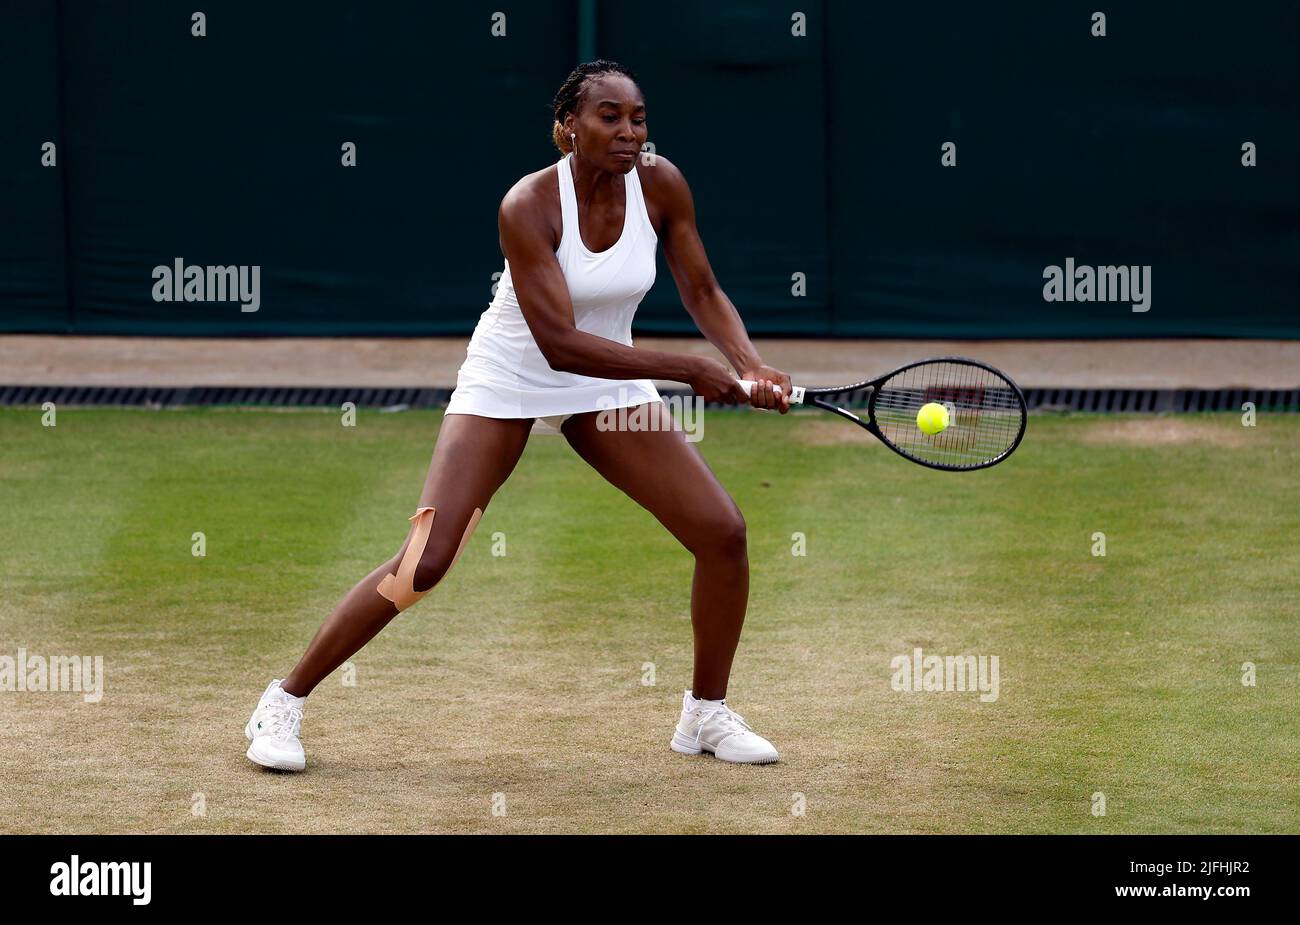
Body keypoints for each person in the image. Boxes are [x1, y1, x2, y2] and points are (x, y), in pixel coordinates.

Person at [245, 59, 792, 772]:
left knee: (722, 532)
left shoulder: (661, 184)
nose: (629, 132)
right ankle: (283, 700)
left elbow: (702, 286)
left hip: (607, 382)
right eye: (610, 117)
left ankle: (705, 715)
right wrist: (689, 369)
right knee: (426, 562)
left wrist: (746, 361)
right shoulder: (527, 205)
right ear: (568, 127)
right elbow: (560, 343)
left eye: (639, 118)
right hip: (512, 378)